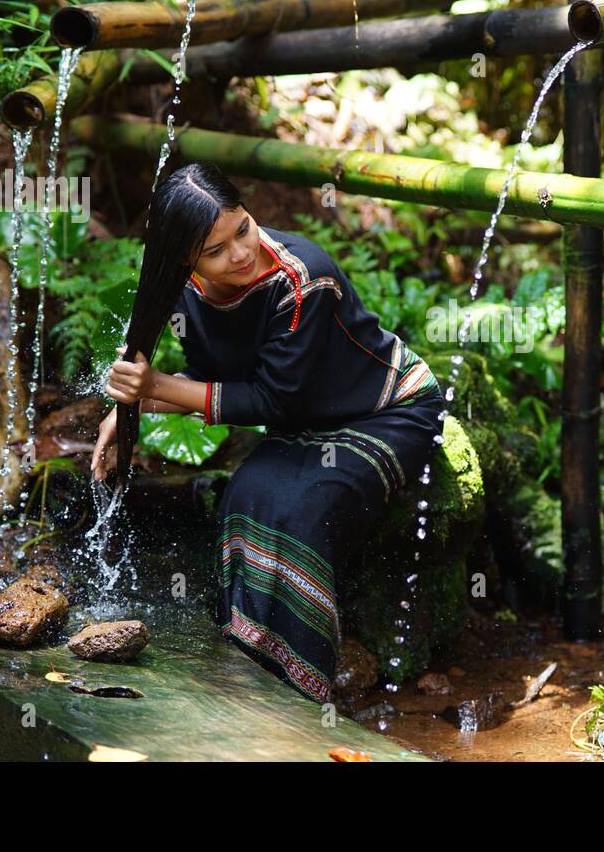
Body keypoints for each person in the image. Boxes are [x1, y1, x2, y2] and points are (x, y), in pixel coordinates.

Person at [91, 161, 444, 703]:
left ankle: (299, 688)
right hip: (304, 418)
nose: (240, 252)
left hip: (386, 410)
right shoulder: (177, 286)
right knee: (247, 495)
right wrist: (136, 407)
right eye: (215, 249)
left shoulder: (303, 280)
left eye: (243, 228)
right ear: (184, 258)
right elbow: (226, 380)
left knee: (300, 511)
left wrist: (157, 388)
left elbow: (271, 396)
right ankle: (247, 665)